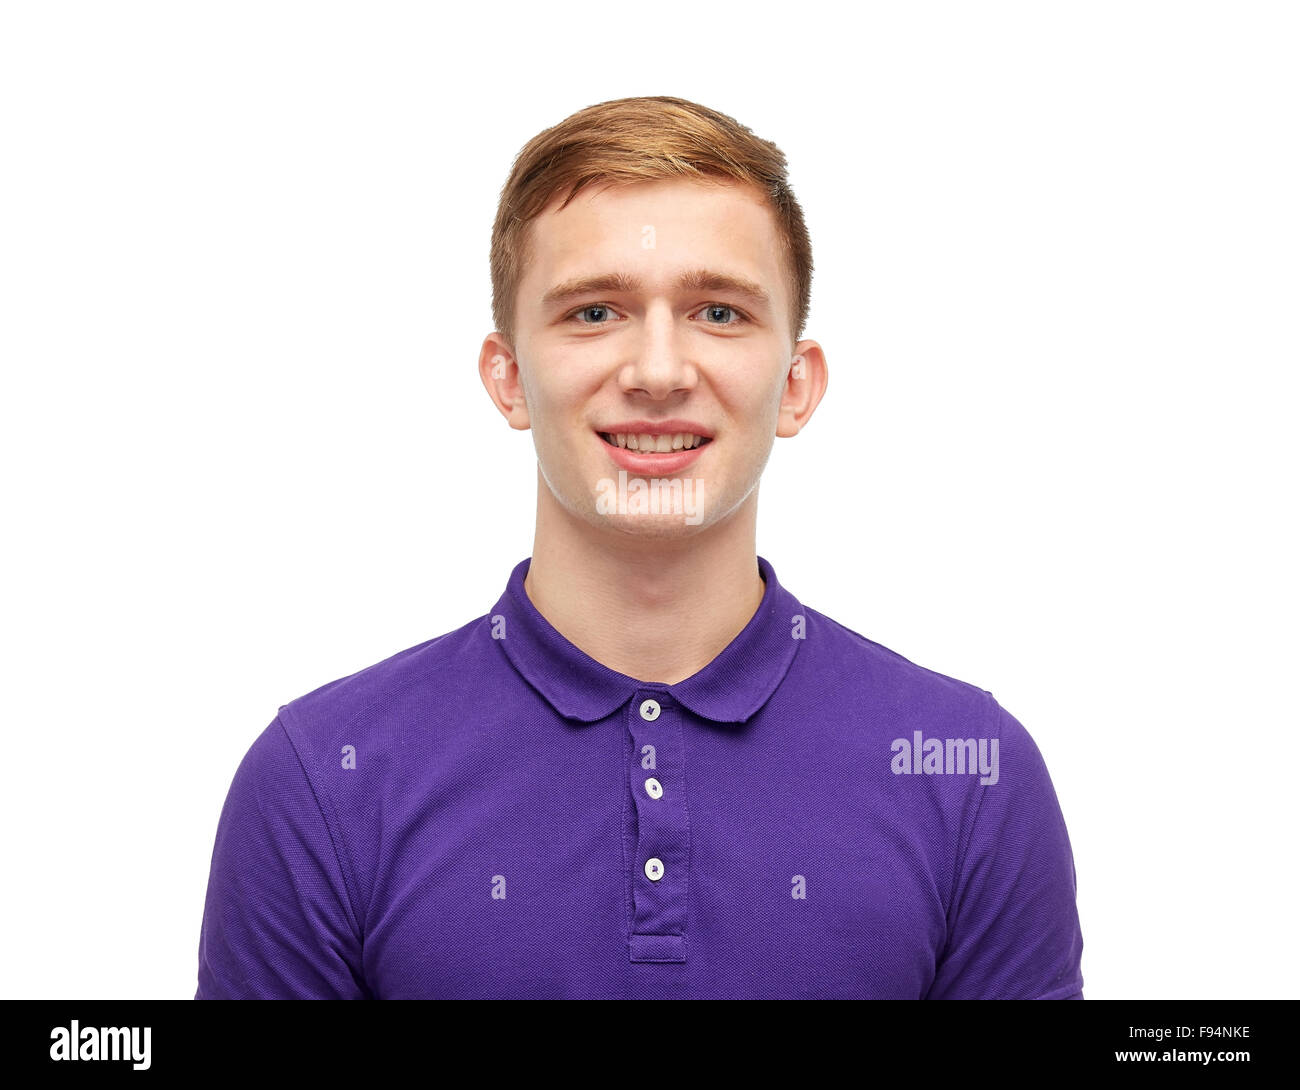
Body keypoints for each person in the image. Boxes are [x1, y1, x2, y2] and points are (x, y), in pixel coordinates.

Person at [194, 95, 1084, 999]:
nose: (658, 372)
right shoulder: (319, 783)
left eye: (720, 312)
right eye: (594, 313)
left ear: (796, 385)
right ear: (507, 379)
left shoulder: (970, 772)